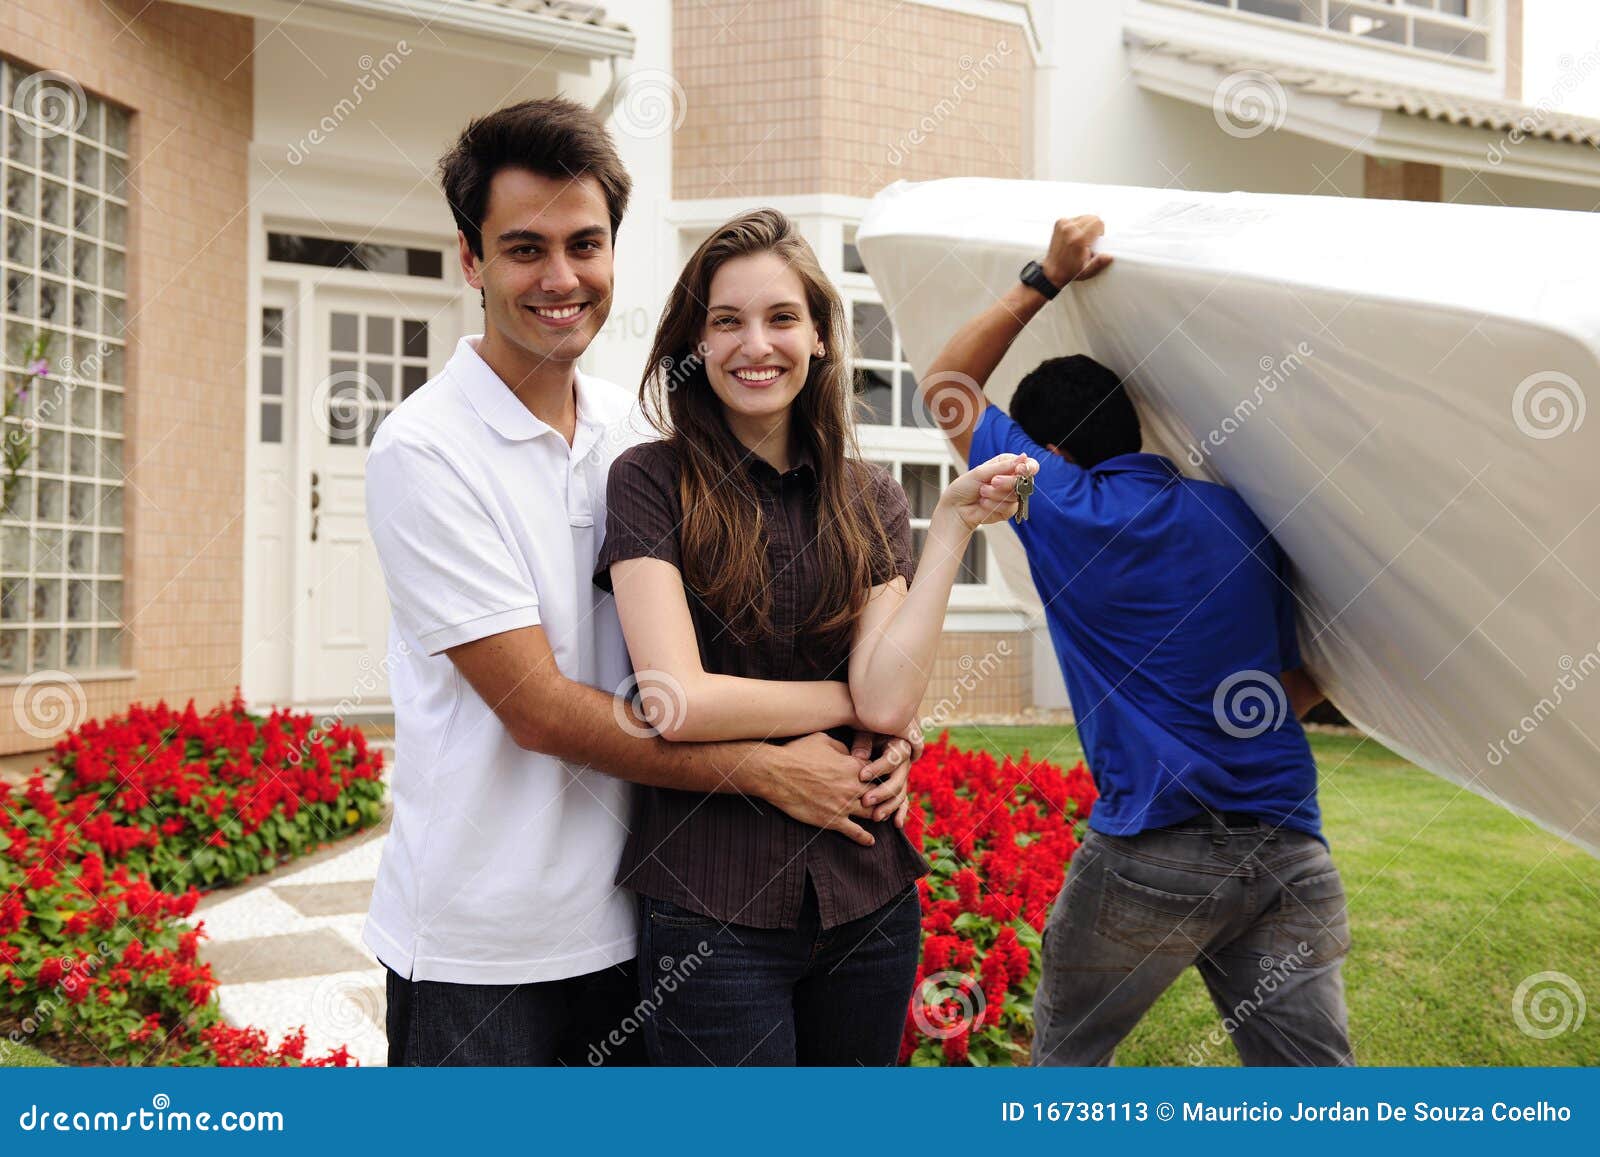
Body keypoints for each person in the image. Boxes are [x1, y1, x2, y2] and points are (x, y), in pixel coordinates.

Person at [361, 100, 921, 1067]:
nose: (562, 277)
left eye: (586, 243)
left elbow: (787, 607)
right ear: (471, 259)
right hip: (489, 944)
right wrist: (768, 765)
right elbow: (536, 709)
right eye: (524, 248)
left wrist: (887, 729)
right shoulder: (425, 449)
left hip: (645, 910)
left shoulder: (637, 438)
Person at [596, 208, 1036, 1065]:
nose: (754, 343)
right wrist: (854, 701)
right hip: (710, 909)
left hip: (868, 893)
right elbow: (676, 699)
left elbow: (894, 692)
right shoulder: (648, 481)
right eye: (726, 321)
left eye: (781, 317)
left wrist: (946, 528)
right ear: (695, 341)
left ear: (822, 338)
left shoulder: (869, 497)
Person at [917, 215, 1354, 1067]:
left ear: (1044, 454)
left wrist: (1048, 275)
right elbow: (1295, 683)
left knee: (1065, 1072)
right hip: (1290, 848)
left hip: (1155, 849)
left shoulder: (1067, 508)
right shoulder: (1244, 521)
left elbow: (945, 384)